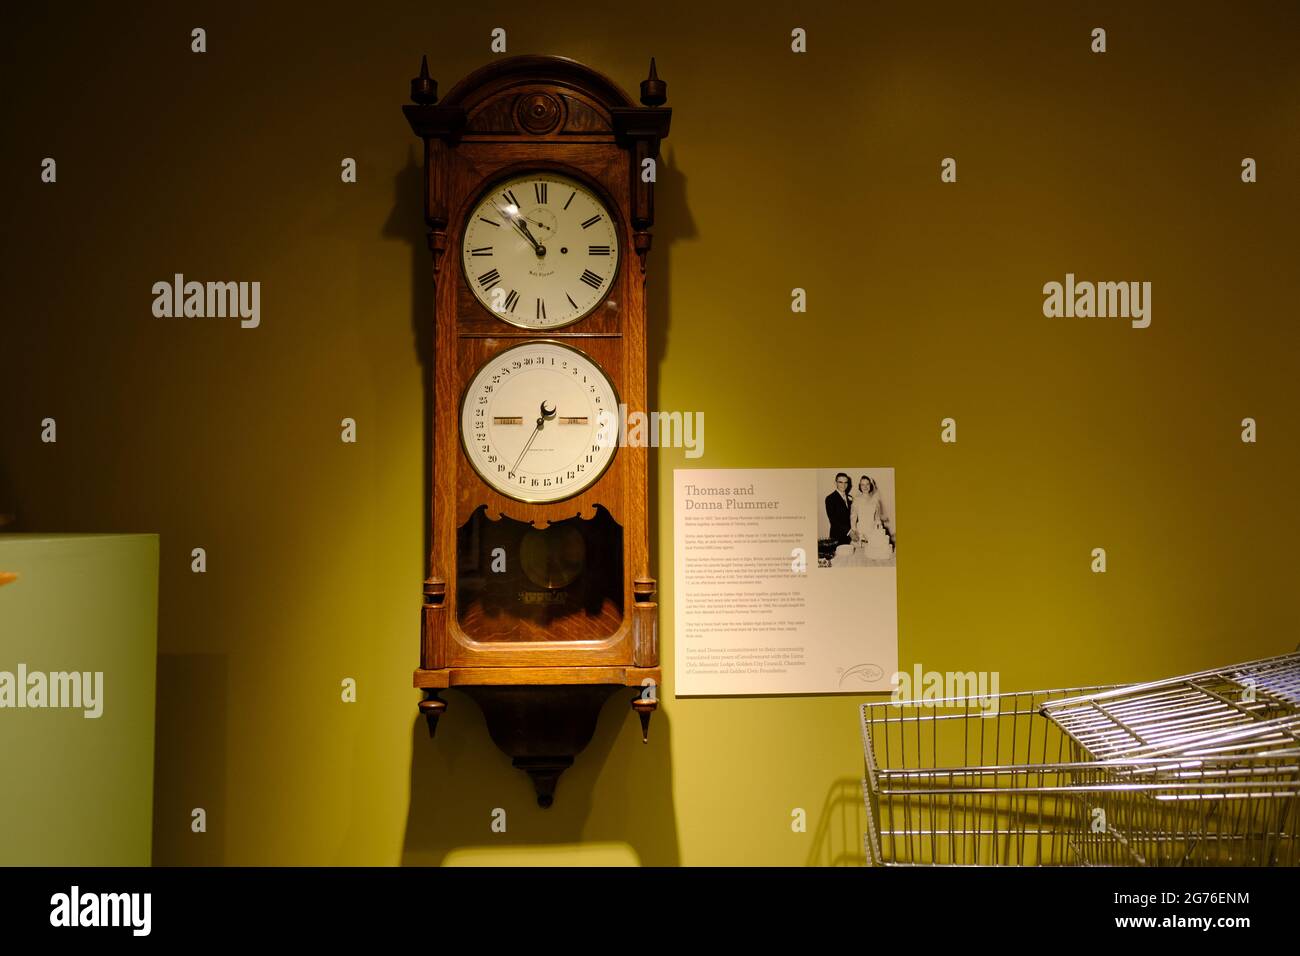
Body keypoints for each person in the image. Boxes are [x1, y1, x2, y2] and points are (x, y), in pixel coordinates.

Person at [851, 475, 894, 562]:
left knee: (874, 556)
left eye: (867, 484)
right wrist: (854, 532)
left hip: (873, 533)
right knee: (860, 559)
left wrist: (879, 533)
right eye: (863, 484)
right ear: (860, 486)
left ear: (871, 486)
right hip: (860, 532)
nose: (865, 487)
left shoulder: (875, 501)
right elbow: (853, 518)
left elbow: (877, 518)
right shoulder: (856, 500)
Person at [825, 473, 853, 545]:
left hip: (850, 538)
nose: (843, 485)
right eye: (840, 482)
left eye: (845, 482)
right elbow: (833, 520)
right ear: (835, 483)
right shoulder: (830, 498)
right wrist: (849, 532)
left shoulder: (850, 497)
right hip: (837, 537)